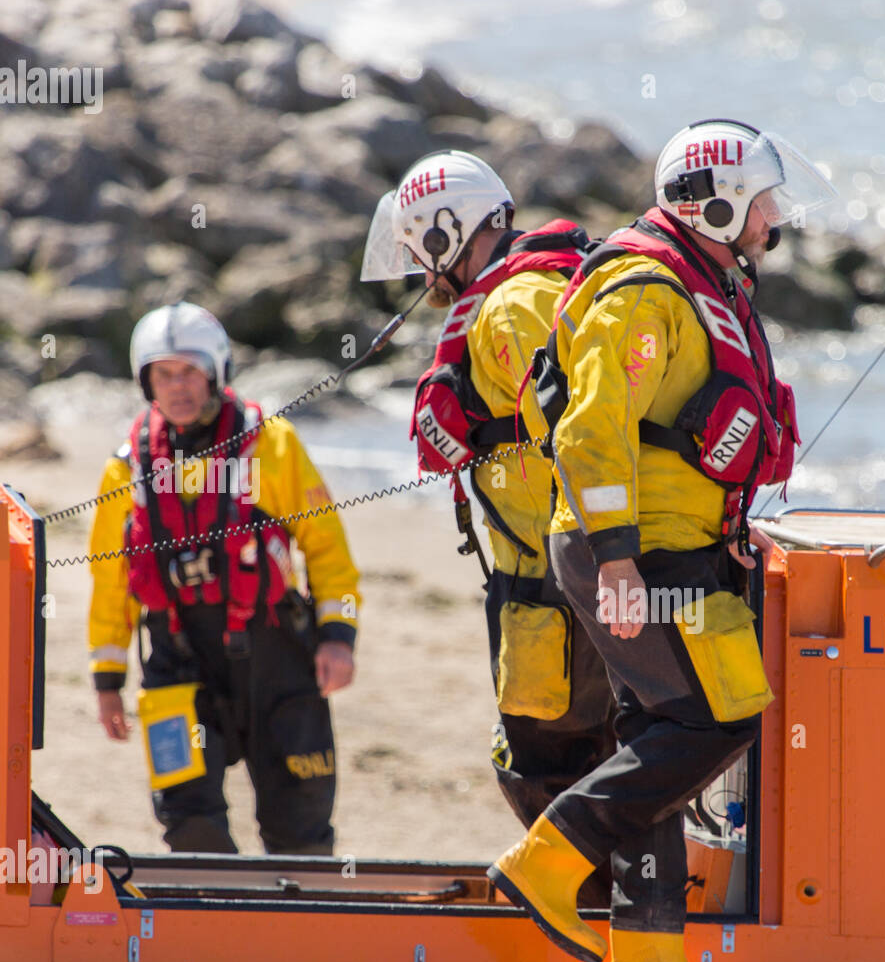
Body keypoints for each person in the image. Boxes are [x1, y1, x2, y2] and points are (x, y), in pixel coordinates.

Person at [488, 119, 835, 962]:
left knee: (661, 735)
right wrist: (617, 561)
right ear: (712, 204)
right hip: (633, 552)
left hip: (679, 545)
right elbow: (591, 431)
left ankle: (645, 957)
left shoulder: (698, 283)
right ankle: (551, 858)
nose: (773, 221)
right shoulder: (644, 293)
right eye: (762, 203)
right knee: (711, 722)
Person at [360, 151, 615, 901]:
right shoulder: (530, 289)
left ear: (445, 232)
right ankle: (595, 908)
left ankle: (584, 913)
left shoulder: (510, 306)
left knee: (543, 759)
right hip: (559, 570)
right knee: (566, 753)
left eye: (419, 252)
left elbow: (585, 431)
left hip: (555, 578)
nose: (420, 274)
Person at [88, 302, 360, 854]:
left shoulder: (273, 445)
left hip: (275, 651)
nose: (178, 386)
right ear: (147, 382)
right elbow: (110, 582)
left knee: (301, 823)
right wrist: (107, 680)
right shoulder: (126, 468)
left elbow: (326, 548)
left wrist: (339, 636)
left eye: (189, 371)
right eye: (163, 374)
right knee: (189, 822)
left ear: (215, 371)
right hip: (176, 656)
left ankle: (301, 931)